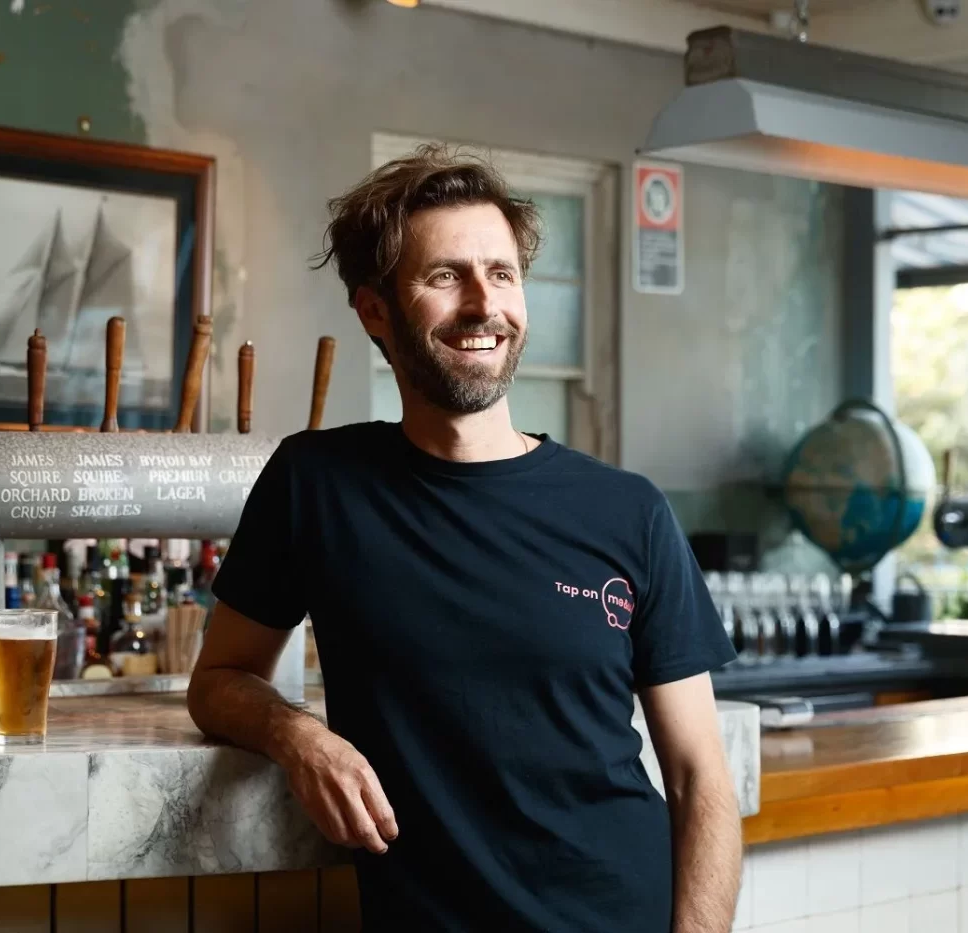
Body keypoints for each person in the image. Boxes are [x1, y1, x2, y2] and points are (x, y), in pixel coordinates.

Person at [187, 143, 743, 931]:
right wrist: (297, 735)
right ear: (375, 309)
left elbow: (700, 781)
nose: (485, 303)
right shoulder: (316, 483)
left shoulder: (629, 511)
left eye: (504, 273)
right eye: (445, 276)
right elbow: (218, 681)